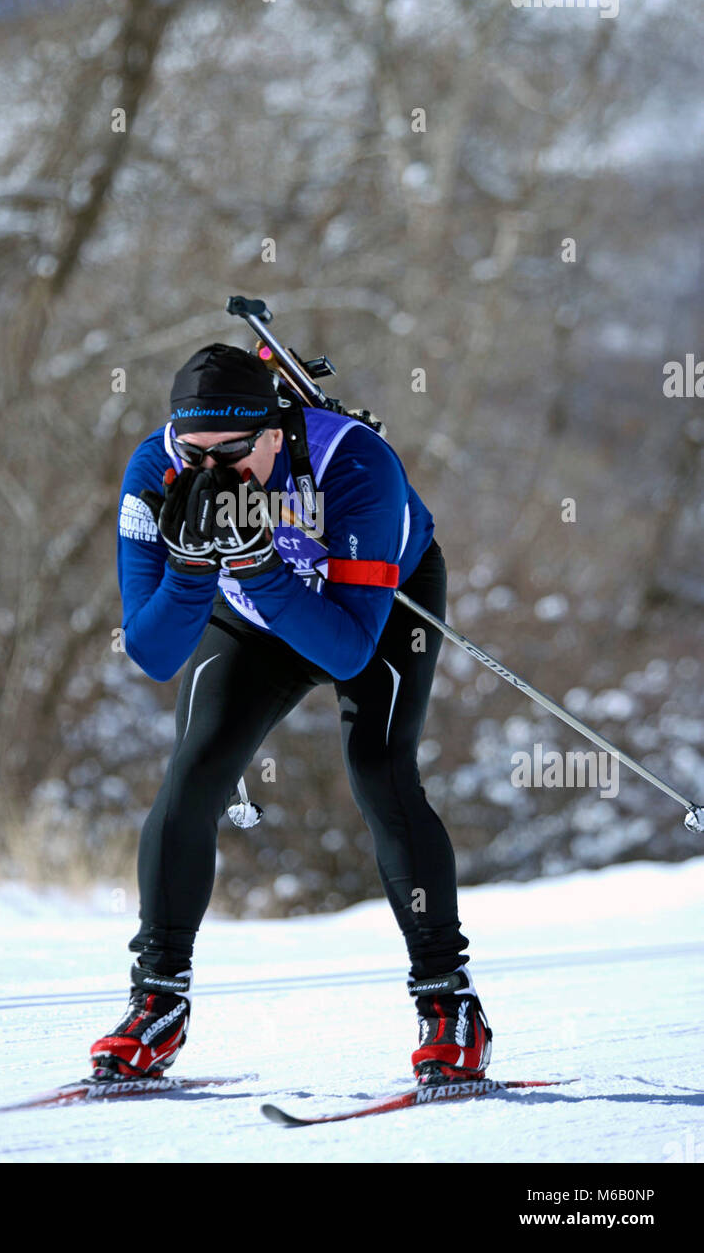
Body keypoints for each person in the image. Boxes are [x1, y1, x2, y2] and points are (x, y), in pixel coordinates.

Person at [90, 340, 491, 1085]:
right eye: (193, 449)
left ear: (275, 431)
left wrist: (252, 562)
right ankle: (157, 1004)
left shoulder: (357, 465)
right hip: (254, 610)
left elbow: (344, 651)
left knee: (379, 772)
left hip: (366, 609)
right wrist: (186, 571)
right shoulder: (155, 468)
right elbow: (151, 652)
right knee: (194, 775)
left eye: (233, 452)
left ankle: (447, 1002)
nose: (210, 471)